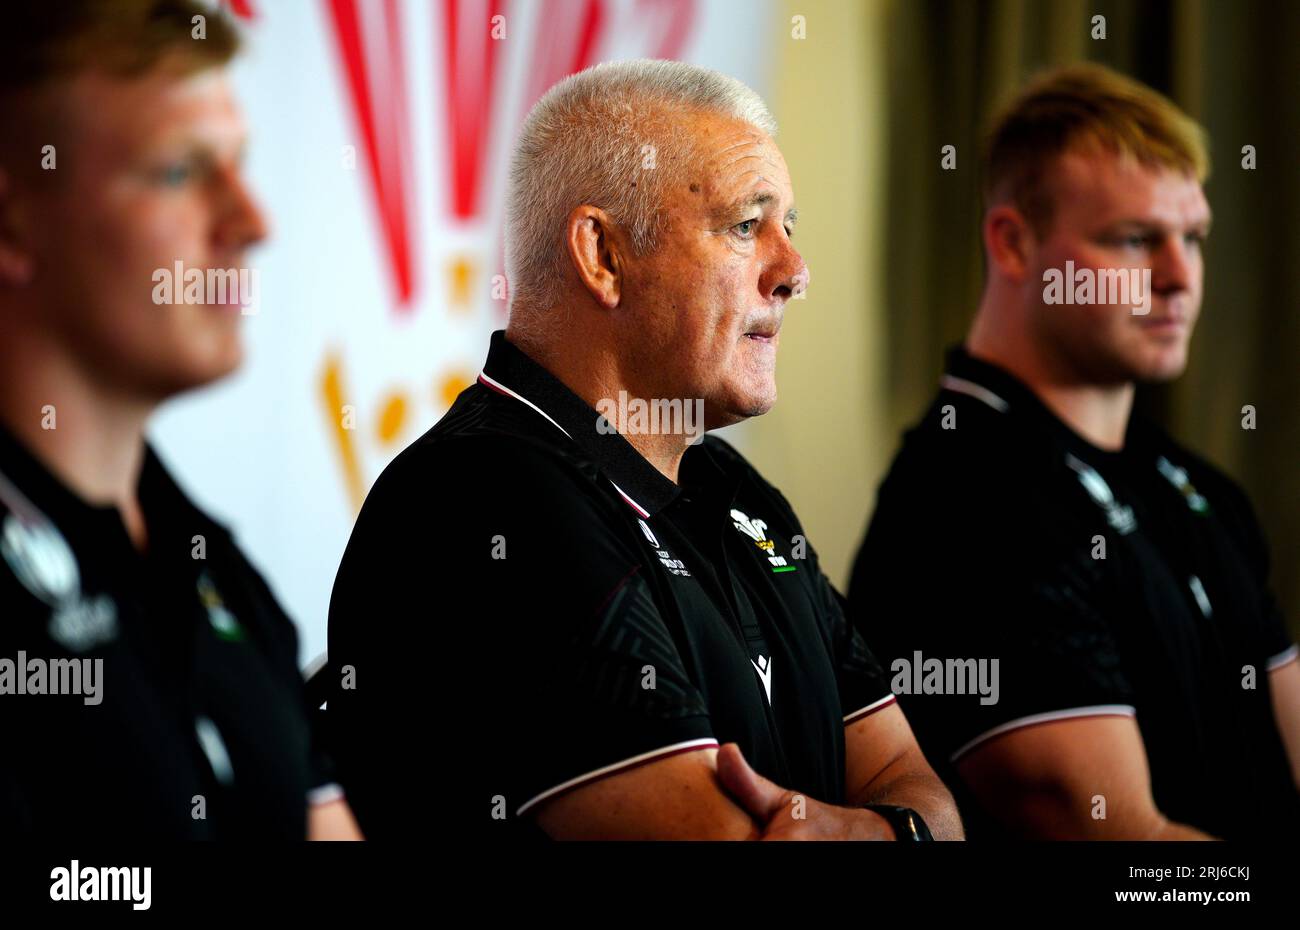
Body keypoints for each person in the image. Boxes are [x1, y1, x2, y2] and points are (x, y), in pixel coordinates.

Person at [327, 59, 962, 841]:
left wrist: (877, 832)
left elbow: (919, 788)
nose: (794, 271)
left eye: (787, 229)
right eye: (743, 226)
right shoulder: (484, 497)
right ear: (603, 255)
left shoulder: (737, 489)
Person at [848, 63, 1300, 839]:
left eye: (1193, 237)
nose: (1180, 277)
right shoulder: (966, 500)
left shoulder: (1196, 486)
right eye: (1134, 240)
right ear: (1015, 245)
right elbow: (1126, 849)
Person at [0, 0, 361, 839]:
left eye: (238, 165)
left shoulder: (215, 568)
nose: (251, 223)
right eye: (177, 171)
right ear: (13, 221)